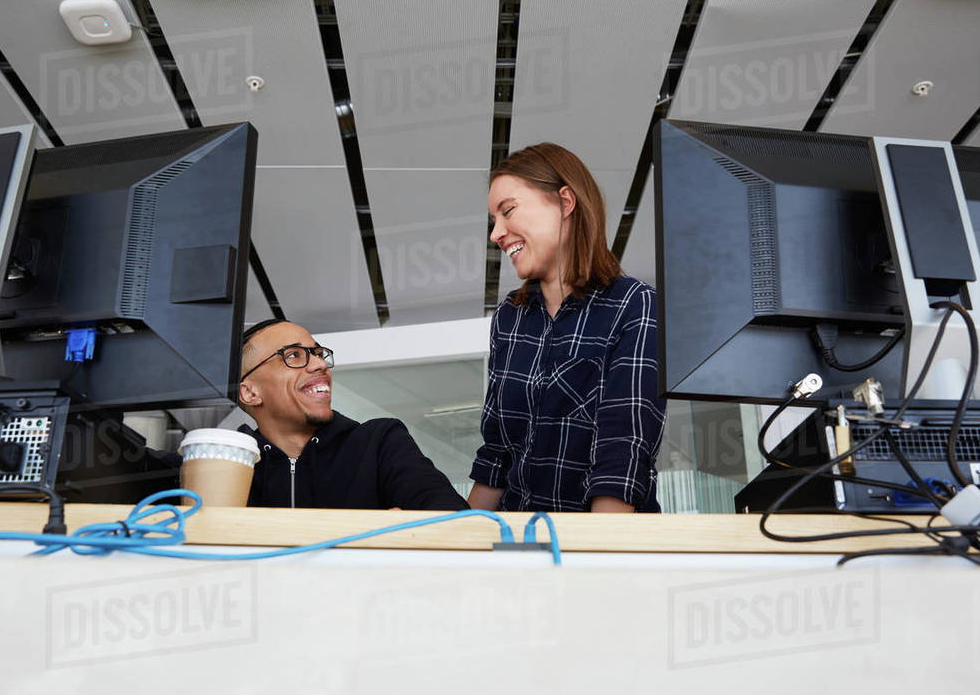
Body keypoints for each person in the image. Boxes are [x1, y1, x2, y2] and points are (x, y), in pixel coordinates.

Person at [468, 143, 667, 513]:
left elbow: (622, 459)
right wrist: (460, 540)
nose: (496, 233)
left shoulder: (634, 304)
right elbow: (495, 457)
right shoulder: (510, 318)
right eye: (494, 220)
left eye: (508, 211)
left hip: (599, 540)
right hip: (519, 539)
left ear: (565, 202)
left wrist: (590, 549)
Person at [235, 318, 469, 510]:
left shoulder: (379, 442)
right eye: (293, 355)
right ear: (250, 393)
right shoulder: (232, 467)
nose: (319, 364)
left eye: (318, 354)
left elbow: (454, 521)